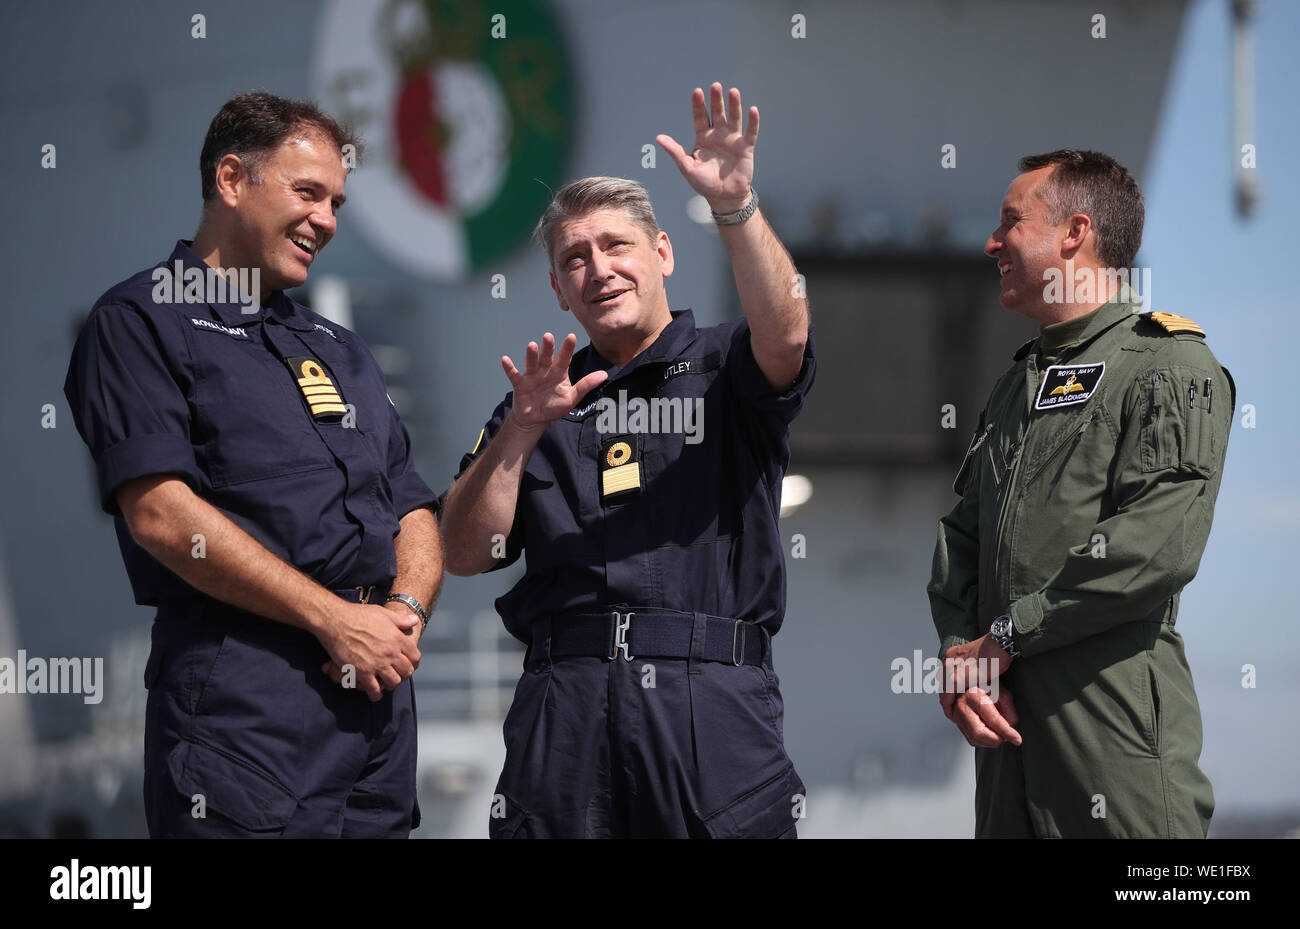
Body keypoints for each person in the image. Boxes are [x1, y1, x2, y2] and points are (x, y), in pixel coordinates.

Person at [439, 83, 814, 838]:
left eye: (616, 246)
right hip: (564, 716)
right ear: (557, 289)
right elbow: (462, 550)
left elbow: (788, 336)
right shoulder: (537, 401)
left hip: (707, 710)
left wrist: (735, 206)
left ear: (663, 253)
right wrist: (518, 432)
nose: (599, 268)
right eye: (575, 258)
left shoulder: (724, 365)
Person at [63, 92, 443, 838]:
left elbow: (413, 506)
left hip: (378, 699)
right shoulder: (140, 321)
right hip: (244, 704)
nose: (327, 220)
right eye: (308, 192)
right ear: (233, 180)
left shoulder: (340, 347)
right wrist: (334, 619)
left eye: (335, 200)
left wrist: (403, 614)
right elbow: (161, 513)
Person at [928, 150, 1233, 837]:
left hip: (1113, 751)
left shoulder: (1169, 363)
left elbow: (1154, 546)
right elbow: (963, 537)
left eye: (1011, 221)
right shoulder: (1017, 384)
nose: (991, 241)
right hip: (1008, 763)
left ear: (1074, 232)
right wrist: (957, 651)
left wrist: (1007, 635)